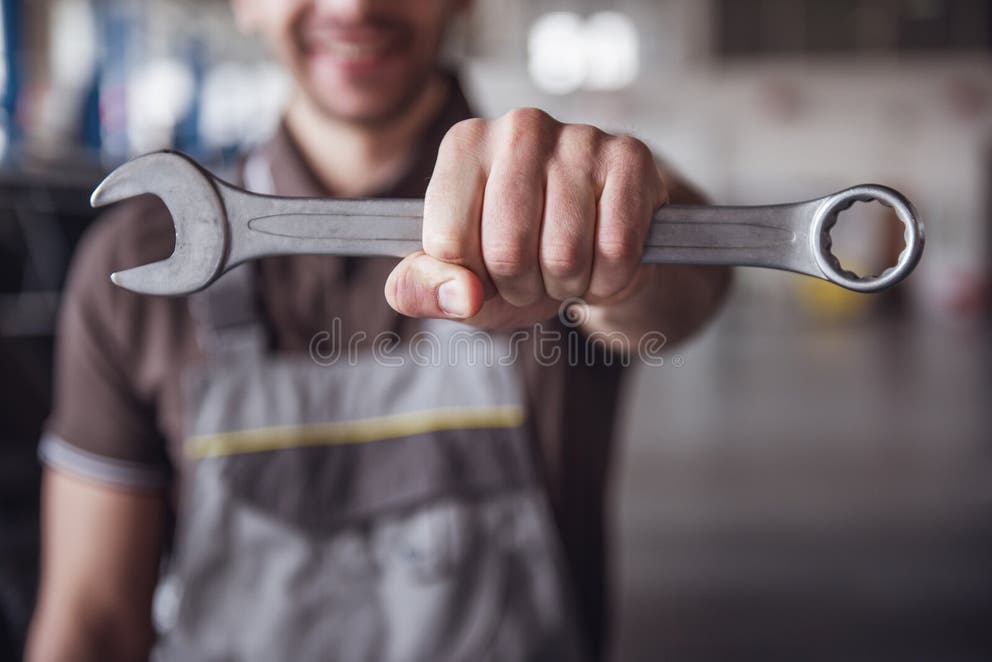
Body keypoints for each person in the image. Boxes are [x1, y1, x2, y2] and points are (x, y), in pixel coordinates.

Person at [27, 1, 730, 661]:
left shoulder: (560, 204)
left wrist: (625, 252)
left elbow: (688, 290)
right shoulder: (136, 254)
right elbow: (92, 616)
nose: (356, 6)